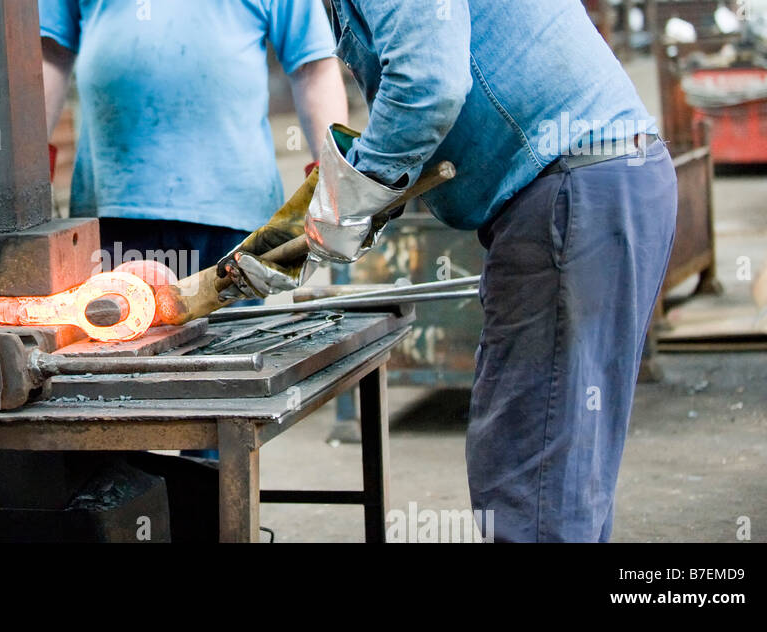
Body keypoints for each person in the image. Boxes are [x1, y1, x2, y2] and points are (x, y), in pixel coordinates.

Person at [227, 0, 678, 542]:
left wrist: (353, 193)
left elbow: (427, 85)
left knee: (531, 486)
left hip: (572, 189)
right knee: (560, 473)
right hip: (597, 181)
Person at [39, 0, 348, 281]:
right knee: (111, 331)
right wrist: (28, 171)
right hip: (109, 210)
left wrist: (333, 177)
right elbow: (50, 52)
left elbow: (312, 66)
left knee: (234, 340)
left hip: (231, 215)